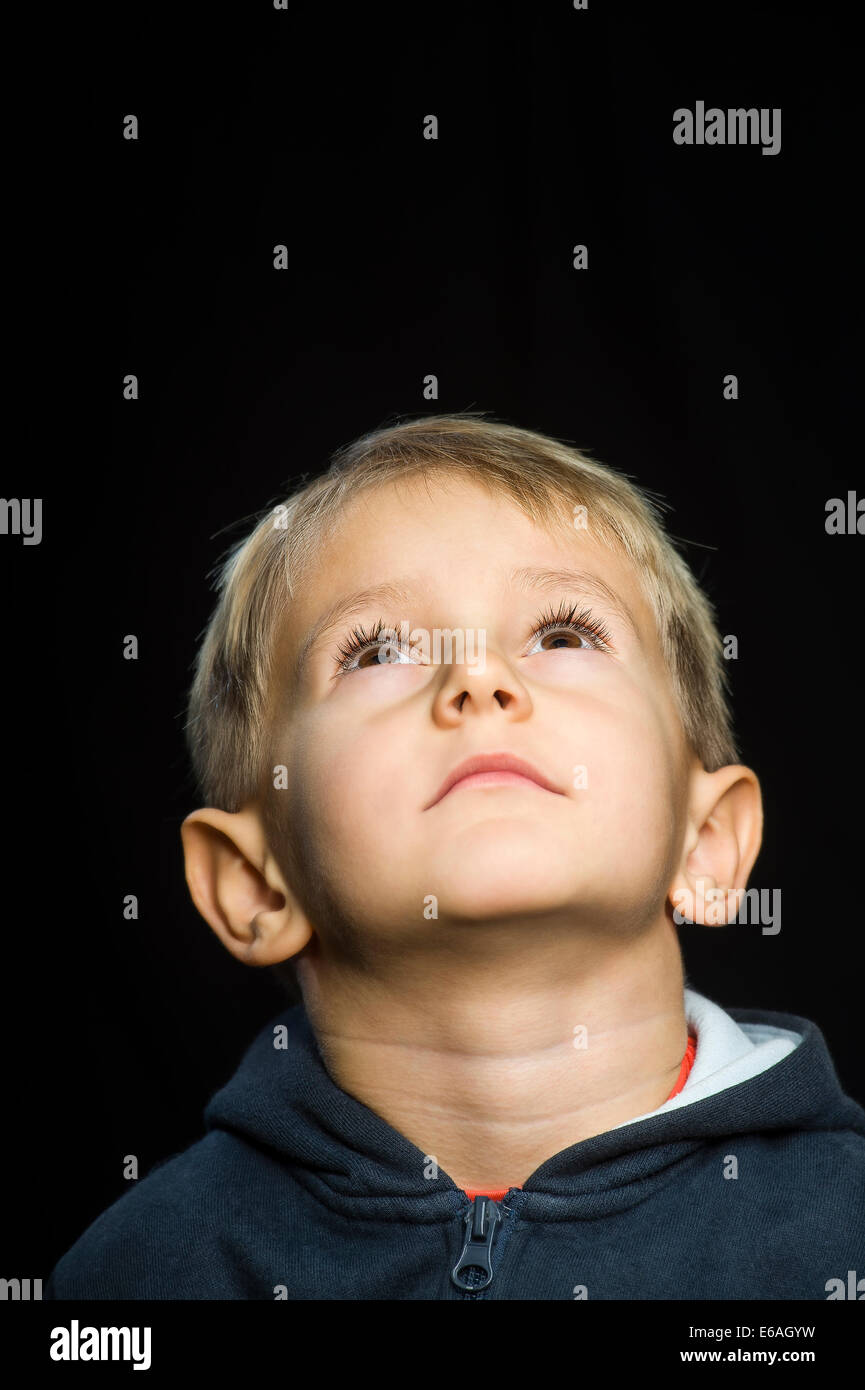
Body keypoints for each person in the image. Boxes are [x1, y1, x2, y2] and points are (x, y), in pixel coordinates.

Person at [45, 413, 865, 1299]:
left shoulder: (844, 1235)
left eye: (561, 635)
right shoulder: (140, 1274)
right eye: (376, 651)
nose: (475, 678)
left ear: (706, 842)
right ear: (253, 884)